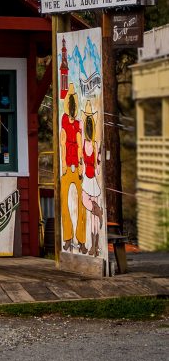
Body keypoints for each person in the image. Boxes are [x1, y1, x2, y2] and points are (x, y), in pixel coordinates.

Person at [60, 83, 86, 252]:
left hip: (76, 166)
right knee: (65, 203)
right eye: (70, 104)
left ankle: (82, 240)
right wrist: (63, 164)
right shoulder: (63, 121)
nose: (71, 108)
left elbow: (79, 145)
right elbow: (62, 143)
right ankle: (68, 237)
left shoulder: (77, 125)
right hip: (67, 167)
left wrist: (81, 164)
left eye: (73, 104)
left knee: (81, 203)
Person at [81, 100, 103, 258]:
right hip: (90, 177)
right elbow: (97, 166)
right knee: (89, 209)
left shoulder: (92, 144)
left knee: (93, 218)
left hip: (91, 178)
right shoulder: (88, 143)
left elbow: (97, 165)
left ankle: (94, 246)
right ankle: (97, 209)